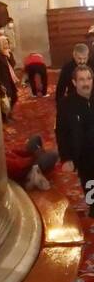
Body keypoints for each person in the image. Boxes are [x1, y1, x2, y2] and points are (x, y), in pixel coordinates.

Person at [62, 69, 94, 197]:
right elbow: (61, 131)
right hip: (84, 157)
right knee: (91, 191)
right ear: (74, 82)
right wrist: (66, 157)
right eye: (81, 79)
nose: (86, 83)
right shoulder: (66, 104)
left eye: (88, 78)